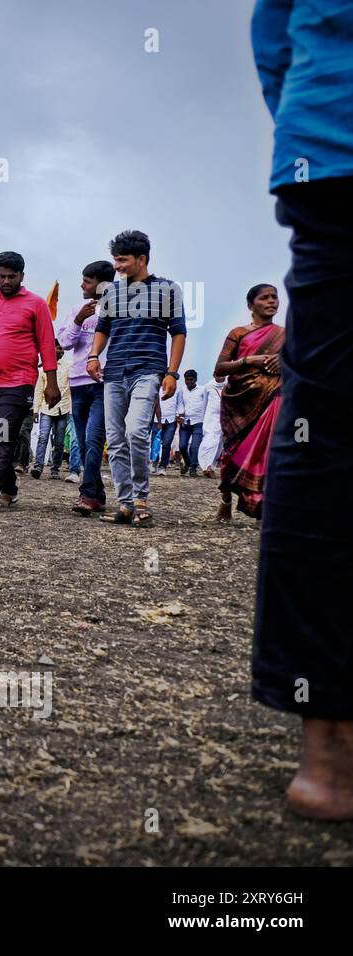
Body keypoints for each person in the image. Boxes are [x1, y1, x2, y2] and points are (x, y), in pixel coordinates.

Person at [251, 0, 353, 820]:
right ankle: (331, 744)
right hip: (332, 141)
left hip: (331, 136)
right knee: (322, 441)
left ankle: (330, 752)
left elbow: (274, 43)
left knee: (325, 441)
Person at [87, 231, 187, 524]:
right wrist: (94, 356)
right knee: (116, 440)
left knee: (135, 431)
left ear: (141, 259)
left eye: (122, 260)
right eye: (115, 260)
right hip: (114, 371)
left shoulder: (168, 289)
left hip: (148, 370)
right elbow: (102, 328)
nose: (117, 266)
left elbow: (178, 332)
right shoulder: (110, 292)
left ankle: (141, 498)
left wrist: (171, 373)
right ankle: (126, 504)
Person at [0, 253, 59, 512]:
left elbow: (47, 345)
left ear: (22, 276)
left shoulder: (36, 304)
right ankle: (9, 488)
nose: (6, 281)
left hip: (18, 383)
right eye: (2, 276)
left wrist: (51, 383)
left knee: (2, 436)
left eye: (12, 276)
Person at [212, 284, 284, 521]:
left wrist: (282, 359)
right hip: (239, 404)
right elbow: (220, 369)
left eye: (275, 297)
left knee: (267, 452)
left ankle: (262, 507)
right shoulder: (238, 333)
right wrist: (247, 361)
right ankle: (226, 499)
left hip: (273, 399)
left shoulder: (285, 336)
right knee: (231, 454)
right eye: (265, 298)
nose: (272, 301)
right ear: (250, 305)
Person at [59, 260, 116, 515]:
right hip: (78, 383)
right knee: (82, 443)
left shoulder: (118, 309)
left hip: (103, 384)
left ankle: (87, 494)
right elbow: (64, 343)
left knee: (94, 439)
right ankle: (98, 494)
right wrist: (79, 320)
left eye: (87, 281)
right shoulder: (76, 309)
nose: (82, 285)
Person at [31, 341, 73, 480]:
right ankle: (38, 466)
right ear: (51, 349)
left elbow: (71, 388)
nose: (61, 350)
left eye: (62, 348)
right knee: (43, 437)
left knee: (59, 441)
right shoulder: (43, 369)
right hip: (46, 409)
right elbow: (38, 391)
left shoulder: (68, 367)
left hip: (64, 409)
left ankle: (55, 469)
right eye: (58, 347)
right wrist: (35, 410)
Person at [176, 369, 208, 476]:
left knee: (195, 446)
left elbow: (206, 404)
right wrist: (180, 415)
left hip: (198, 421)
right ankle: (188, 462)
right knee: (182, 446)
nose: (189, 382)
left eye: (191, 379)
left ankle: (193, 467)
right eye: (187, 379)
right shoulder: (182, 391)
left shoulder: (203, 390)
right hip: (185, 422)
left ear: (195, 379)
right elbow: (180, 404)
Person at [154, 382, 182, 477]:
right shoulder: (156, 388)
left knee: (166, 444)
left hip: (171, 420)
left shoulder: (177, 389)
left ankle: (163, 466)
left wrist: (179, 415)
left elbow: (179, 403)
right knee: (154, 443)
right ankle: (154, 462)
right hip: (156, 420)